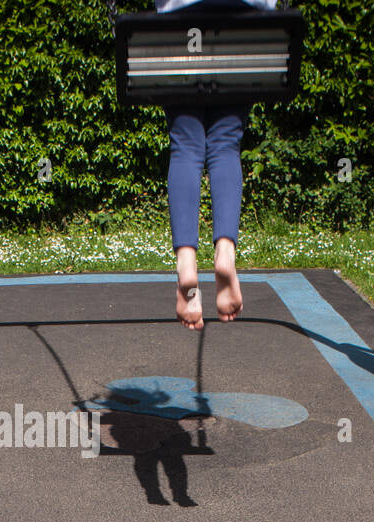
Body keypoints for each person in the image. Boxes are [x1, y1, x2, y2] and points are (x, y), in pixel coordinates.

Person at [156, 0, 277, 329]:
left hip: (179, 24)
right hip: (240, 26)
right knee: (225, 143)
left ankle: (186, 264)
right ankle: (224, 254)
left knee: (185, 144)